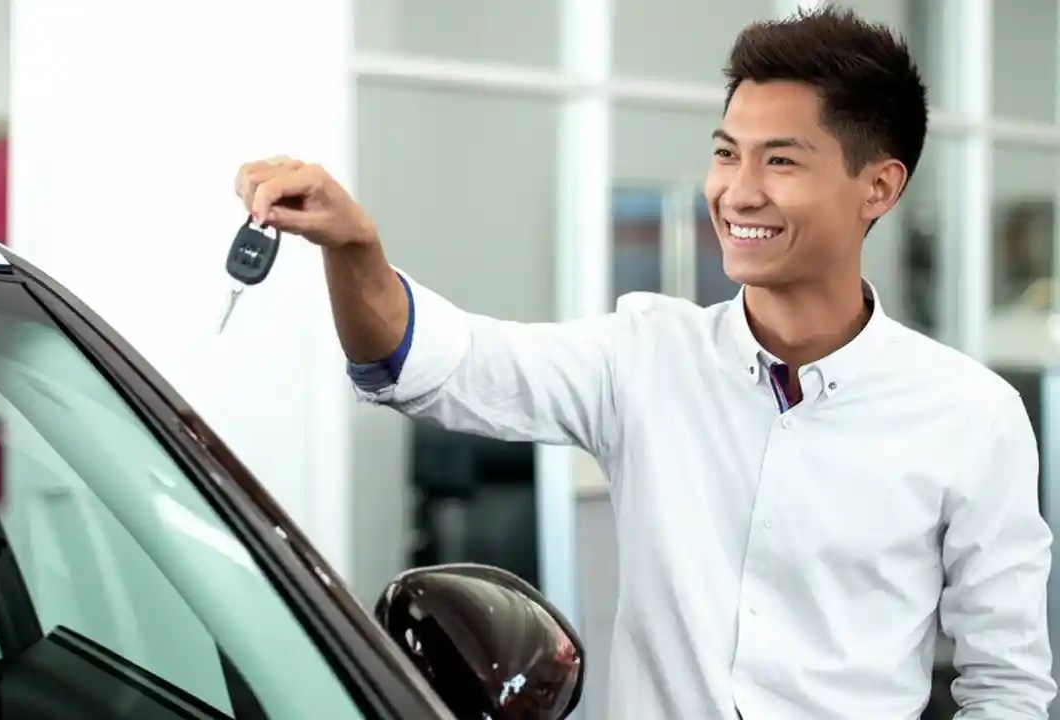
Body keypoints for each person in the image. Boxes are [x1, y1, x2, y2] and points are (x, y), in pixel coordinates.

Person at [234, 6, 1056, 719]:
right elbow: (438, 364)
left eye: (781, 161)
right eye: (727, 153)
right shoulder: (643, 355)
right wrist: (355, 249)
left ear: (878, 187)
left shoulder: (970, 415)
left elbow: (1007, 686)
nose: (737, 191)